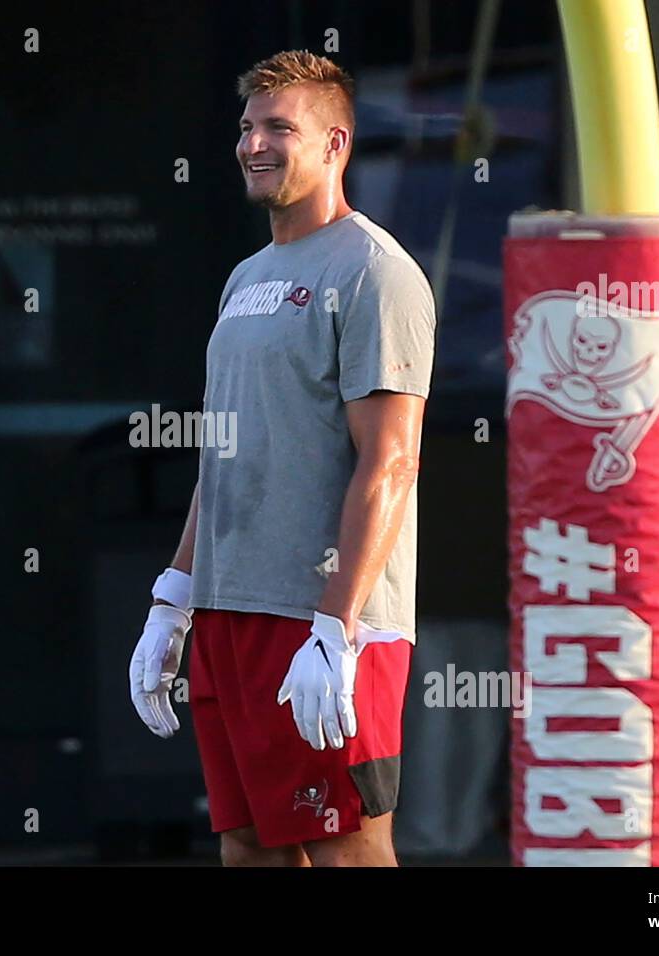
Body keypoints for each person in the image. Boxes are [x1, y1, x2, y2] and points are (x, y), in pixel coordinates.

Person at [129, 50, 437, 867]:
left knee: (346, 845)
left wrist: (337, 628)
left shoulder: (376, 272)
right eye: (245, 127)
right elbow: (225, 454)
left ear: (335, 144)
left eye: (279, 127)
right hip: (230, 615)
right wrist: (175, 596)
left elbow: (391, 463)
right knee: (249, 845)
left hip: (324, 620)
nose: (253, 144)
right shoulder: (244, 279)